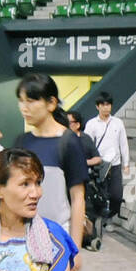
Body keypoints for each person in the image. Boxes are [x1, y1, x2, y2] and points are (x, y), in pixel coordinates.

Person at [13, 73, 87, 250]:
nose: (24, 108)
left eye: (30, 101)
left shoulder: (68, 141)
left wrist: (74, 248)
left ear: (51, 103)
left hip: (57, 240)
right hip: (22, 241)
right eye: (21, 101)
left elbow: (78, 198)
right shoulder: (21, 142)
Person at [84, 92, 129, 220]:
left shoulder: (118, 123)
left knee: (116, 195)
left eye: (108, 104)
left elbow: (123, 143)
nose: (106, 107)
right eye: (103, 105)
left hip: (114, 164)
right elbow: (87, 144)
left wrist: (126, 164)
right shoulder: (91, 124)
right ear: (97, 106)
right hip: (99, 166)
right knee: (99, 194)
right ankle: (99, 218)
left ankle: (109, 216)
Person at [68, 109, 107, 250]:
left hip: (82, 180)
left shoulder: (85, 139)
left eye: (69, 122)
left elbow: (97, 158)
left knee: (84, 210)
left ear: (77, 124)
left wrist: (84, 162)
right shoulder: (62, 139)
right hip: (65, 180)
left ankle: (88, 237)